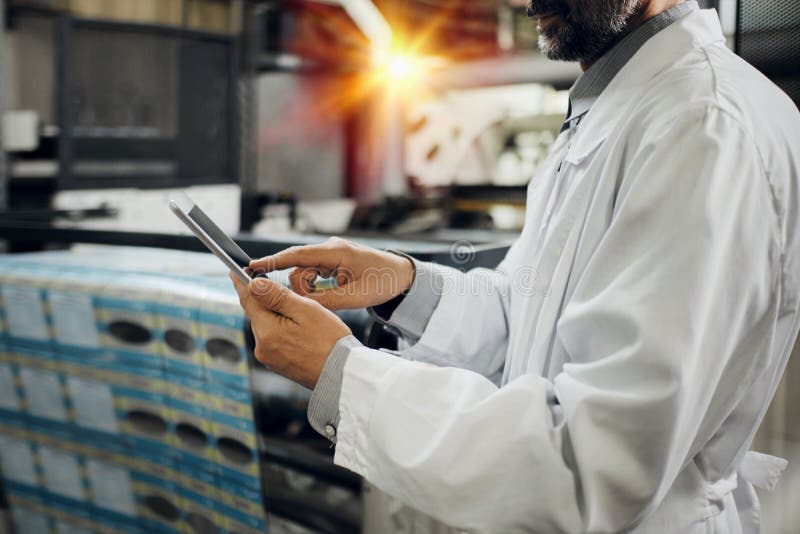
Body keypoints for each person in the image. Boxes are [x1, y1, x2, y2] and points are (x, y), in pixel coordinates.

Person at [231, 0, 800, 531]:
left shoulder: (704, 125)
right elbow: (526, 313)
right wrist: (401, 284)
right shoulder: (610, 108)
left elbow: (597, 461)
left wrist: (341, 372)